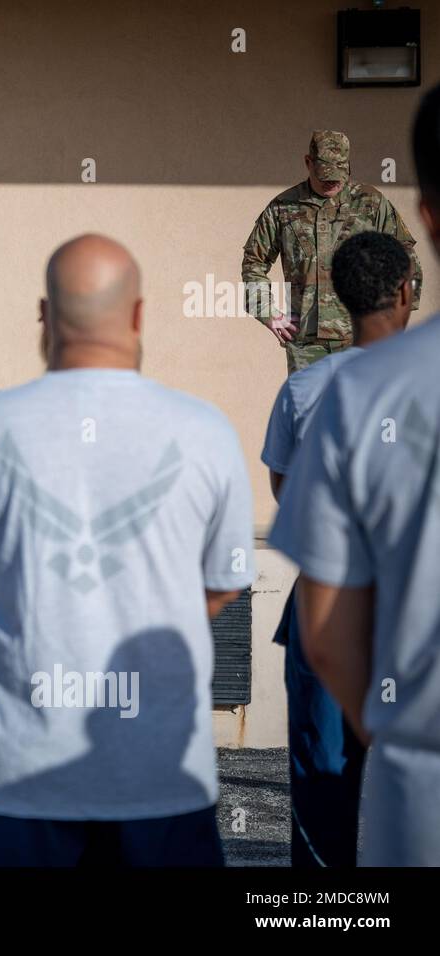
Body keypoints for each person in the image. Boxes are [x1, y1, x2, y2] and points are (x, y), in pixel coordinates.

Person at [0, 234, 254, 867]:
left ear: (45, 318)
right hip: (162, 780)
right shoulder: (205, 430)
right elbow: (223, 585)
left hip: (18, 781)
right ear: (138, 315)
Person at [269, 83, 440, 866]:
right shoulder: (283, 210)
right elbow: (247, 262)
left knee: (327, 782)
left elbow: (326, 612)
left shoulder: (329, 394)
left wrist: (400, 741)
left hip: (373, 656)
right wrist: (260, 308)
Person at [262, 231, 413, 867]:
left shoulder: (303, 388)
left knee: (323, 784)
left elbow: (285, 492)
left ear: (343, 303)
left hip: (326, 602)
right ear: (407, 292)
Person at [241, 130, 422, 375]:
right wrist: (266, 311)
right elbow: (254, 261)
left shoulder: (371, 203)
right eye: (326, 177)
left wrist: (395, 320)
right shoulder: (283, 208)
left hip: (362, 338)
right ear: (308, 163)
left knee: (361, 410)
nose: (333, 184)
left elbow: (405, 256)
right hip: (306, 344)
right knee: (310, 411)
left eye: (339, 176)